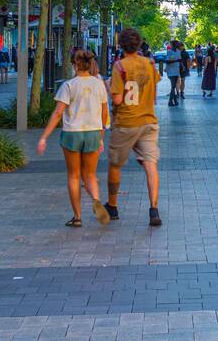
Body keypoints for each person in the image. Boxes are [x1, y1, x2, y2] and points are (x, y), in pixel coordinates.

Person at [38, 49, 111, 228]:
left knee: (74, 175)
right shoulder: (98, 84)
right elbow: (104, 113)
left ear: (75, 64)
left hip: (72, 133)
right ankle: (95, 200)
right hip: (93, 132)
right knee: (90, 174)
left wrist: (44, 137)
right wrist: (101, 136)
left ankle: (77, 216)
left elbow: (57, 113)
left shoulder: (68, 86)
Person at [107, 27, 162, 226]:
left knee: (115, 164)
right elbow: (154, 95)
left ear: (121, 45)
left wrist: (109, 87)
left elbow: (118, 98)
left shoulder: (119, 66)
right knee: (150, 165)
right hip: (148, 121)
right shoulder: (150, 64)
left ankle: (112, 206)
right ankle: (154, 208)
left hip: (126, 122)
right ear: (139, 45)